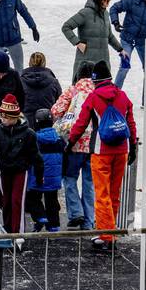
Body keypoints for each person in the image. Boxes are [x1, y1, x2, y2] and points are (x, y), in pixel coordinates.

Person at [67, 60, 137, 247]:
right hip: (122, 151)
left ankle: (106, 236)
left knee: (102, 194)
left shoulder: (93, 98)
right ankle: (110, 231)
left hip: (101, 151)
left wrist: (70, 144)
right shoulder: (122, 96)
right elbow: (131, 124)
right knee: (114, 194)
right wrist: (133, 147)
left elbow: (80, 124)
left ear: (96, 80)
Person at [0, 94, 41, 236]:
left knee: (17, 202)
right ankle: (7, 228)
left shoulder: (29, 134)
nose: (3, 120)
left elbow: (36, 156)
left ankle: (17, 234)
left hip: (21, 171)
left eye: (6, 117)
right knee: (5, 201)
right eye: (1, 116)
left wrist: (40, 176)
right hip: (5, 171)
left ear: (15, 117)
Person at [50, 63, 97, 230]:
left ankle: (76, 212)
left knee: (69, 179)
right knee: (89, 182)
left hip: (74, 143)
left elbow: (55, 111)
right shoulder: (98, 91)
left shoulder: (73, 90)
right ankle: (89, 221)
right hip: (94, 146)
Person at [62, 0, 123, 82]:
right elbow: (66, 27)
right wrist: (78, 43)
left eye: (108, 0)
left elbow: (109, 36)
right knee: (83, 91)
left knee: (102, 92)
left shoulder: (106, 14)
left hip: (102, 62)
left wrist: (120, 49)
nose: (108, 3)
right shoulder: (85, 13)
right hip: (86, 62)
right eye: (106, 0)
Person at [26, 109, 65, 232]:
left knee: (32, 198)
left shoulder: (35, 138)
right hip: (54, 178)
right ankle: (54, 225)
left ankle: (40, 216)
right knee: (52, 200)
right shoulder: (59, 139)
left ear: (37, 122)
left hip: (39, 176)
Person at [20, 51, 62, 116]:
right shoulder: (54, 82)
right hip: (47, 119)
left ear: (30, 63)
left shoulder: (21, 81)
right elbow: (60, 102)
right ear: (44, 63)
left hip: (26, 119)